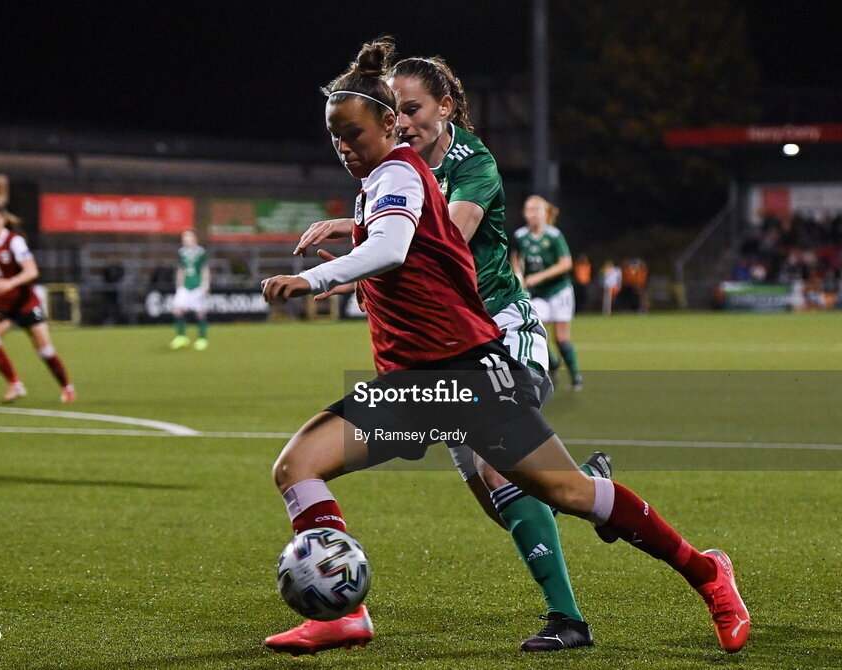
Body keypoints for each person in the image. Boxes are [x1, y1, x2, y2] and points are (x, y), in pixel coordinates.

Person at [260, 37, 749, 658]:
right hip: (412, 383)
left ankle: (706, 573)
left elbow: (397, 247)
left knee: (563, 491)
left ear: (410, 116)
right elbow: (400, 246)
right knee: (297, 468)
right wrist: (360, 243)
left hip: (469, 368)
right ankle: (342, 616)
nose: (344, 148)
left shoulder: (410, 171)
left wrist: (318, 278)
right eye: (335, 138)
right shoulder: (385, 177)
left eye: (354, 133)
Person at [291, 52, 609, 652]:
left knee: (498, 469)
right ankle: (589, 488)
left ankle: (568, 619)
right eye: (394, 110)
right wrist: (362, 237)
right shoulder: (392, 174)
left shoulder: (472, 164)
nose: (402, 120)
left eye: (411, 109)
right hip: (445, 350)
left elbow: (440, 241)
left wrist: (359, 248)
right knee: (499, 495)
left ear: (447, 107)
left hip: (502, 333)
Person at [0, 204, 75, 404]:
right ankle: (15, 384)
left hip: (26, 303)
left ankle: (67, 387)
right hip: (1, 306)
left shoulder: (15, 242)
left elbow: (32, 271)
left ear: (2, 219)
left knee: (45, 350)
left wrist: (10, 283)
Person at [512, 196, 583, 391]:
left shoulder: (553, 235)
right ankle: (552, 364)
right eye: (528, 210)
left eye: (536, 210)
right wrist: (518, 274)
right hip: (538, 294)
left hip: (559, 291)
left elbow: (566, 263)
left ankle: (575, 376)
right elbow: (516, 259)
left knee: (561, 338)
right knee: (536, 332)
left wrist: (540, 276)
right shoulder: (520, 235)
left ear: (545, 213)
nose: (532, 214)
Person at [169, 230, 210, 351]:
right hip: (185, 286)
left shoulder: (201, 252)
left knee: (200, 312)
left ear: (194, 239)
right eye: (184, 238)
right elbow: (181, 269)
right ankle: (181, 337)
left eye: (188, 237)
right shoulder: (181, 252)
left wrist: (206, 285)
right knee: (178, 310)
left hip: (197, 286)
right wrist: (178, 284)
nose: (185, 240)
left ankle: (202, 339)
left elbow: (205, 269)